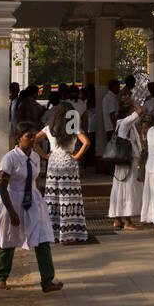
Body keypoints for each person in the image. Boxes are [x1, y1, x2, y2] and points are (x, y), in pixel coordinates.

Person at [0, 121, 64, 293]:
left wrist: (39, 198)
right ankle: (1, 277)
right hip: (13, 200)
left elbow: (35, 179)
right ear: (19, 138)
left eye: (34, 136)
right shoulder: (9, 158)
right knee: (8, 241)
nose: (33, 139)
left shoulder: (34, 156)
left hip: (32, 200)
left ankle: (47, 280)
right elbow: (2, 187)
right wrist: (11, 212)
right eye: (28, 136)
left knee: (42, 238)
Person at [42, 96, 91, 245]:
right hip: (68, 163)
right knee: (68, 199)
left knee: (53, 199)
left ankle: (52, 233)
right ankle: (68, 234)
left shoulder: (50, 128)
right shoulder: (73, 126)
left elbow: (34, 141)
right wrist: (76, 156)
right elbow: (87, 142)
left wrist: (44, 155)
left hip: (53, 163)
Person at [107, 99, 144, 230]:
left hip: (122, 161)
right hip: (128, 161)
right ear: (128, 114)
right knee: (128, 188)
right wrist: (132, 101)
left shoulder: (121, 124)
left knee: (119, 188)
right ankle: (127, 221)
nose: (134, 113)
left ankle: (117, 219)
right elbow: (141, 111)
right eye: (132, 112)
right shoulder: (125, 123)